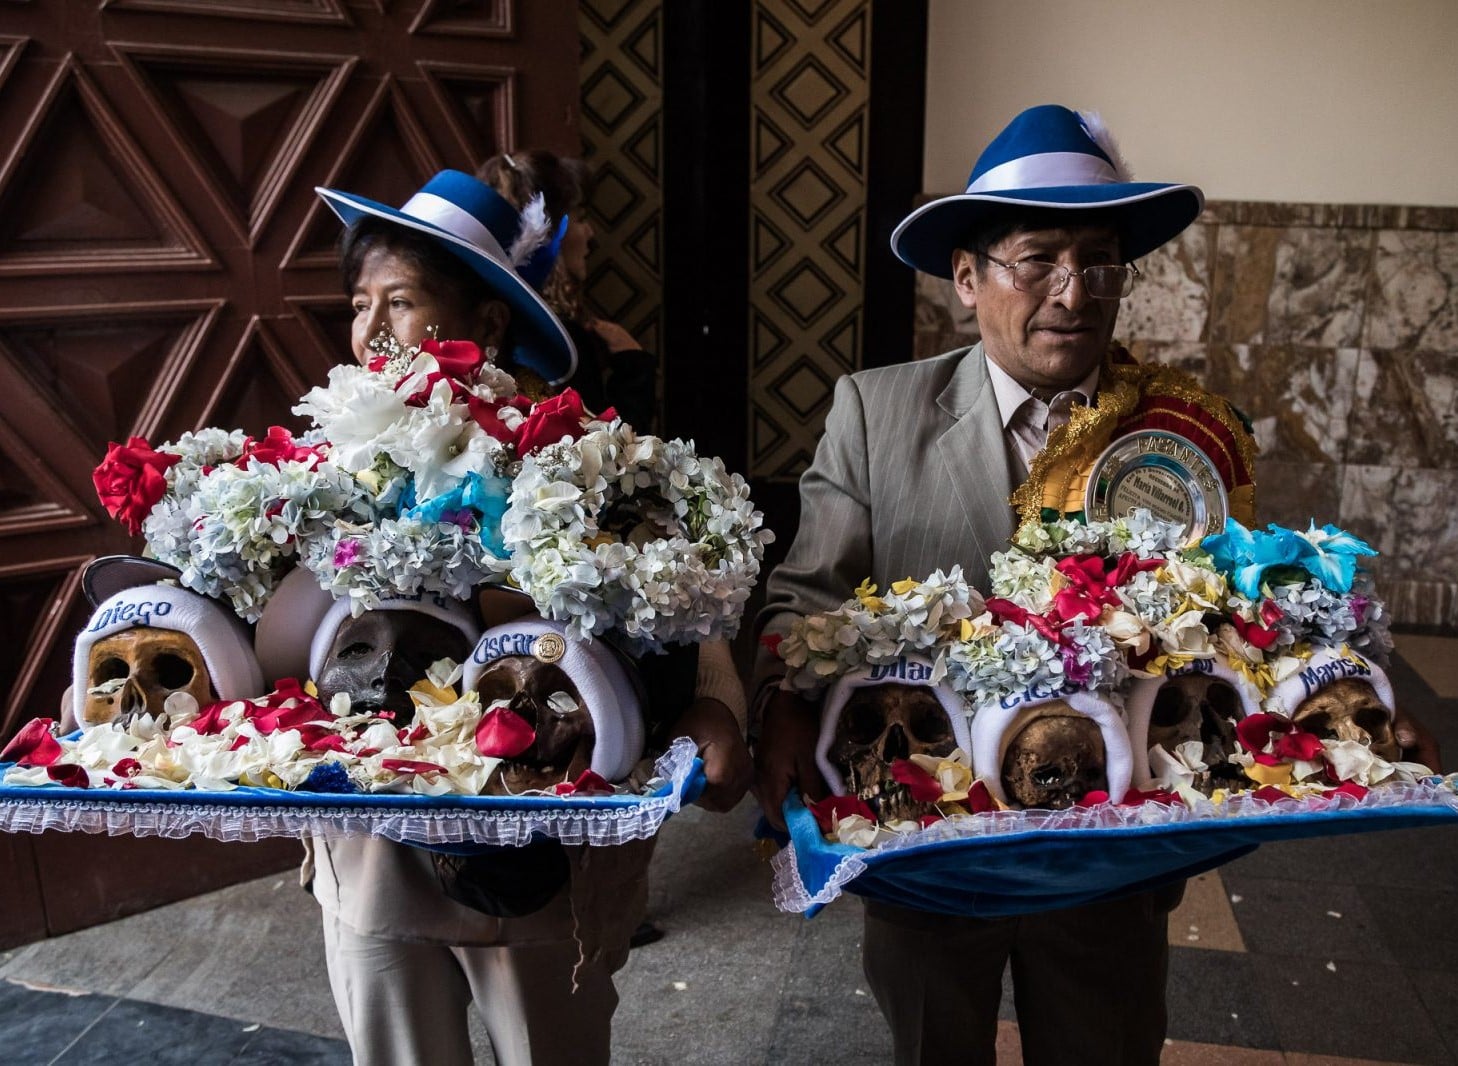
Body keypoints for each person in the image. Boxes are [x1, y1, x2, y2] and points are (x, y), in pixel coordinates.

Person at [751, 105, 1441, 1066]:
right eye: (1037, 259)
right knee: (931, 1043)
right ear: (966, 277)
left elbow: (1250, 613)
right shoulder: (876, 411)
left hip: (1107, 844)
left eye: (1101, 263)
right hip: (927, 842)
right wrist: (783, 703)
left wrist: (1354, 691)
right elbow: (807, 596)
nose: (1074, 293)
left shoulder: (1171, 432)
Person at [308, 169, 752, 1065]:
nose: (371, 330)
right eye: (360, 303)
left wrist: (718, 705)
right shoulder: (324, 462)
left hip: (536, 831)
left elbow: (676, 592)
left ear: (490, 323)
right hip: (371, 850)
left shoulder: (576, 448)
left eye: (400, 302)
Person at [478, 149, 659, 431]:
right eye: (581, 217)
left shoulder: (495, 320)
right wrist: (633, 364)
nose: (590, 233)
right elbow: (612, 457)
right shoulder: (557, 341)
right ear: (549, 233)